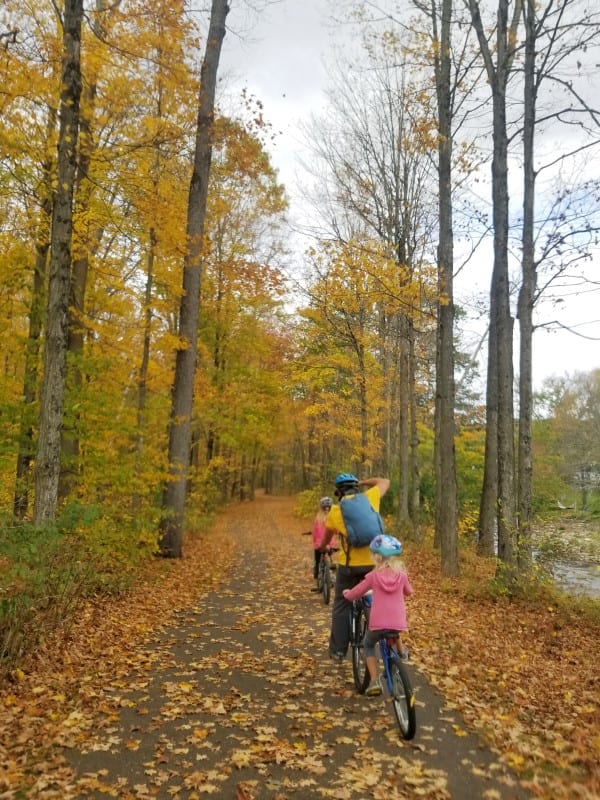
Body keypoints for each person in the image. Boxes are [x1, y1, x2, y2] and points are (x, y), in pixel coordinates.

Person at [320, 473, 390, 661]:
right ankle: (386, 634)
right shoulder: (370, 498)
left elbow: (326, 538)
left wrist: (323, 547)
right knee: (378, 599)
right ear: (356, 487)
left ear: (338, 492)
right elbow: (385, 481)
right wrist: (365, 482)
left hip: (349, 568)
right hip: (374, 565)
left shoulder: (335, 511)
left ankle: (338, 650)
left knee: (342, 604)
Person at [342, 534, 413, 696]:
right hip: (398, 622)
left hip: (378, 623)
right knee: (394, 629)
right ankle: (401, 652)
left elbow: (357, 592)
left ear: (377, 557)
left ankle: (374, 681)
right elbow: (409, 592)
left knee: (368, 644)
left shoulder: (373, 576)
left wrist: (347, 594)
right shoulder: (402, 576)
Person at [311, 496, 333, 586]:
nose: (327, 509)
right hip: (329, 544)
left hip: (319, 544)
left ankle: (316, 569)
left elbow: (314, 533)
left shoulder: (317, 518)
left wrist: (315, 542)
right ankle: (329, 575)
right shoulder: (332, 518)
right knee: (330, 556)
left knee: (317, 557)